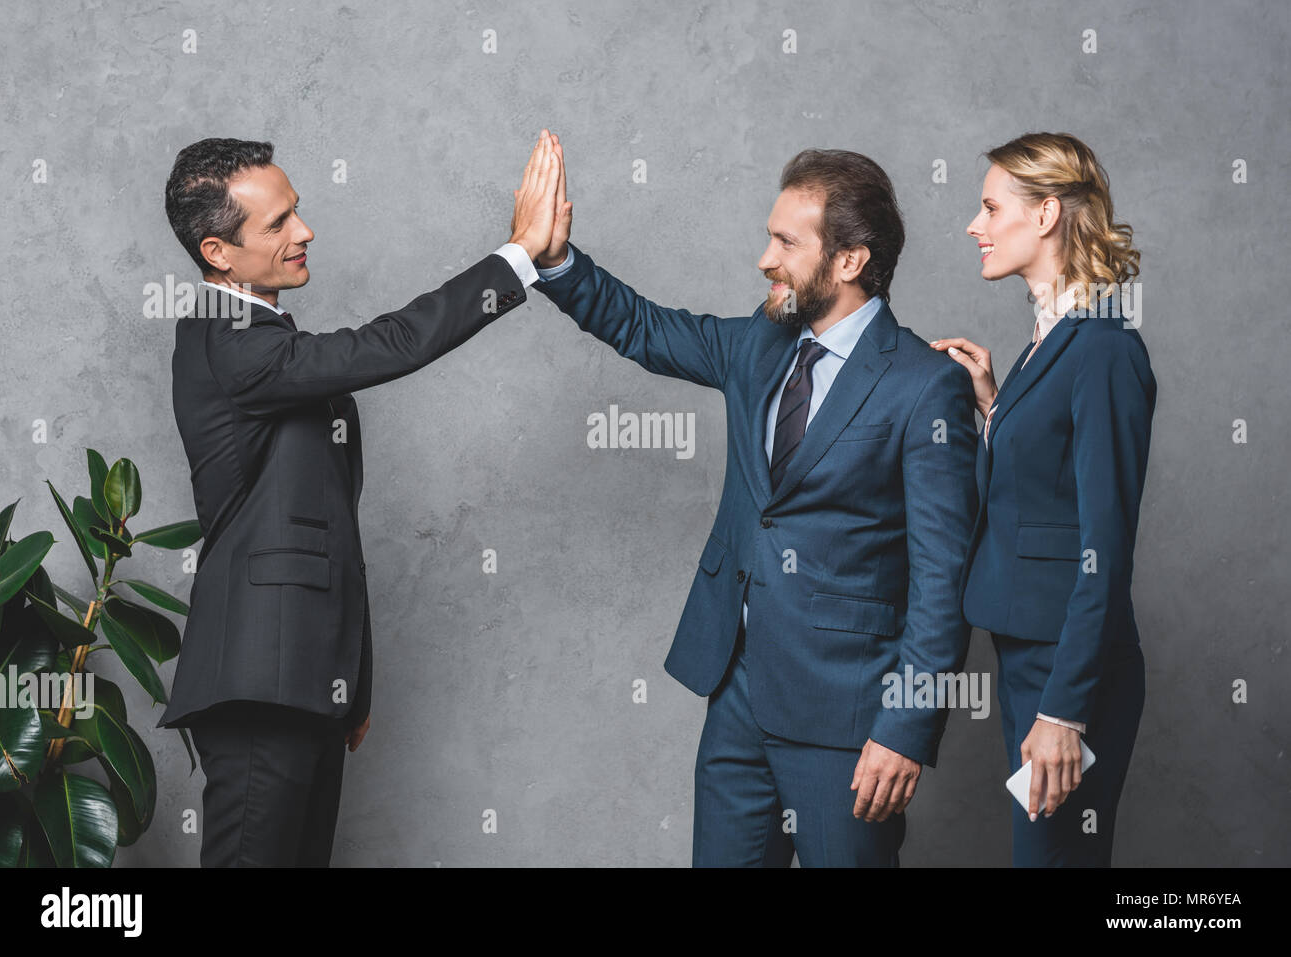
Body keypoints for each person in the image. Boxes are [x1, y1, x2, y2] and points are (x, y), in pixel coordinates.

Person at [533, 138, 978, 866]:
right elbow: (643, 326)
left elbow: (942, 578)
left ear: (849, 260)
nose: (765, 258)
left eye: (785, 242)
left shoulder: (925, 386)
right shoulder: (762, 344)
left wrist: (906, 727)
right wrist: (555, 260)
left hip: (846, 720)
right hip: (735, 699)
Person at [159, 130, 563, 866]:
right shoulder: (229, 341)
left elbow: (324, 529)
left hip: (305, 677)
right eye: (278, 222)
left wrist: (350, 679)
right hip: (259, 685)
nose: (305, 231)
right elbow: (393, 342)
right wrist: (517, 256)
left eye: (296, 209)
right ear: (218, 252)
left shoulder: (265, 340)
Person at [931, 132, 1156, 866]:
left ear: (1047, 213)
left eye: (991, 208)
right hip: (1030, 655)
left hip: (1069, 671)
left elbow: (1104, 546)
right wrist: (996, 406)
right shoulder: (1048, 340)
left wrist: (1063, 709)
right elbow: (1047, 484)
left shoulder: (1103, 348)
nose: (975, 225)